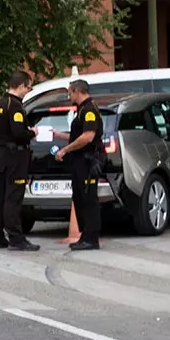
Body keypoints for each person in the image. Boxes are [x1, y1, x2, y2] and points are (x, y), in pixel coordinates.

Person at [0, 71, 40, 251]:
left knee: (1, 196)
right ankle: (16, 239)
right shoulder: (15, 106)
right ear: (21, 86)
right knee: (13, 198)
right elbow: (19, 133)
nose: (28, 91)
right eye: (28, 87)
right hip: (15, 157)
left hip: (1, 155)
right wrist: (32, 133)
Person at [54, 78, 104, 250]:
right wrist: (59, 135)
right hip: (81, 160)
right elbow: (78, 135)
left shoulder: (89, 110)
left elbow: (88, 137)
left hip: (88, 161)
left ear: (77, 91)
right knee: (80, 197)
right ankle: (86, 236)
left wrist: (65, 150)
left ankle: (91, 238)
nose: (69, 95)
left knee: (89, 198)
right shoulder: (82, 110)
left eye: (70, 92)